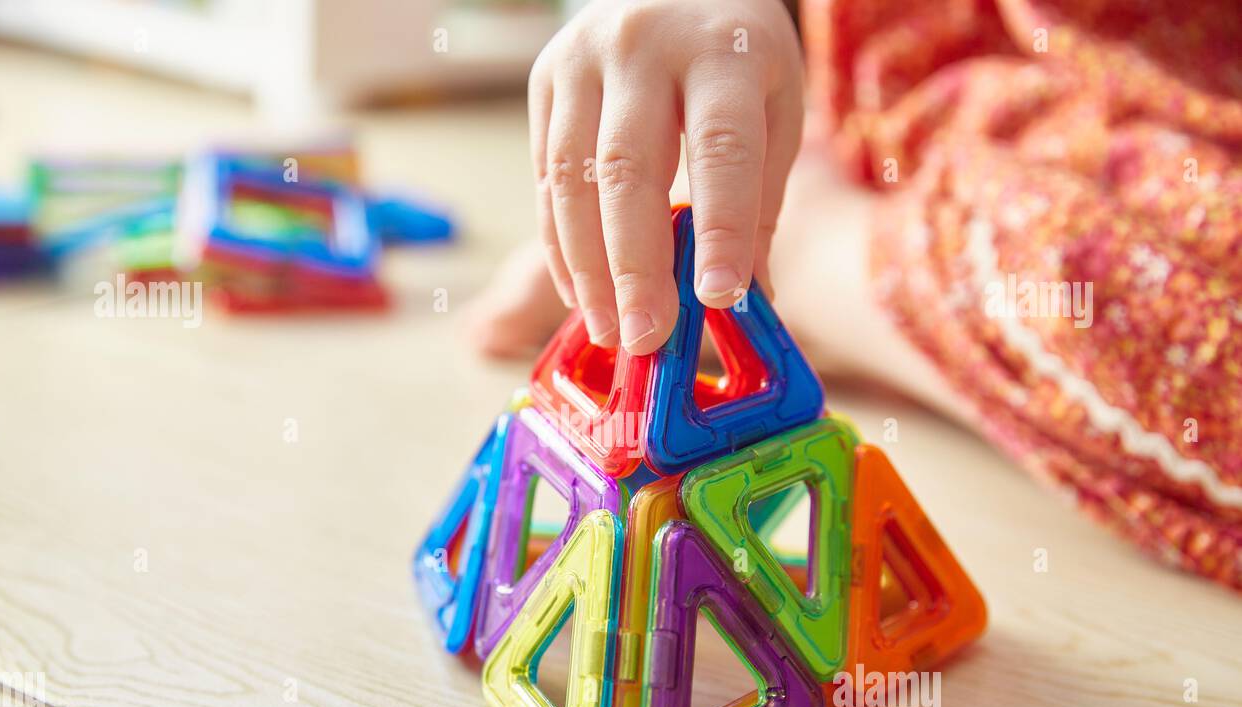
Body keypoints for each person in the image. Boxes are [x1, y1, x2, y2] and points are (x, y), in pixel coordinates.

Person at [463, 0, 1242, 593]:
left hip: (1162, 135)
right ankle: (737, 217)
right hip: (894, 86)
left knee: (1135, 299)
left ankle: (795, 252)